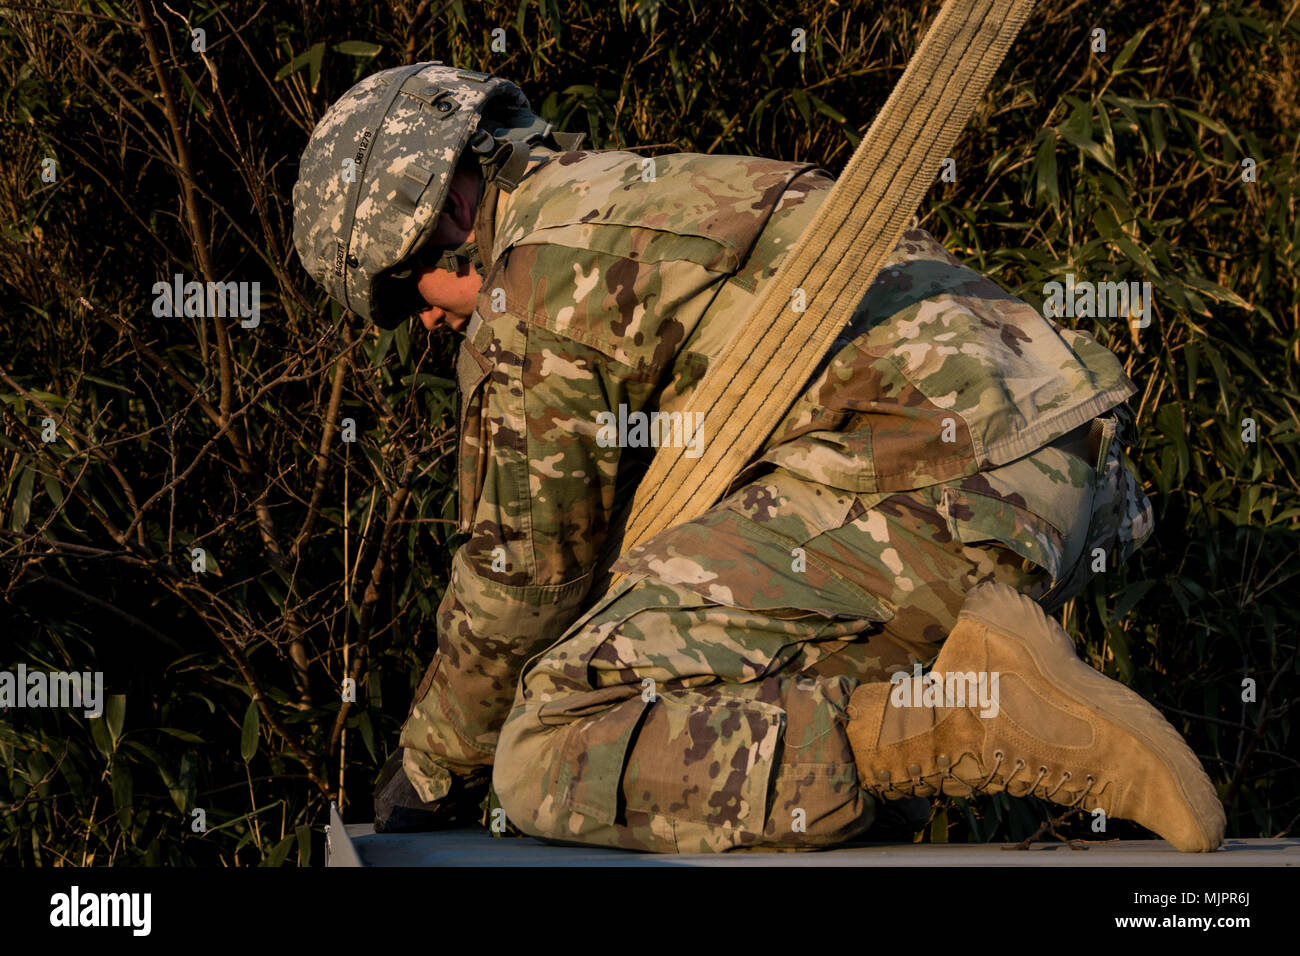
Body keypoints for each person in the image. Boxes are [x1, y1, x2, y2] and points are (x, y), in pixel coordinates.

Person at [293, 63, 1225, 853]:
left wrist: (427, 773)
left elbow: (524, 577)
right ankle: (956, 704)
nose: (418, 320)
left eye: (396, 290)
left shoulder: (536, 283)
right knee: (722, 693)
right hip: (1044, 474)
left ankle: (972, 721)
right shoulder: (658, 185)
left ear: (450, 206)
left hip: (928, 487)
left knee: (548, 745)